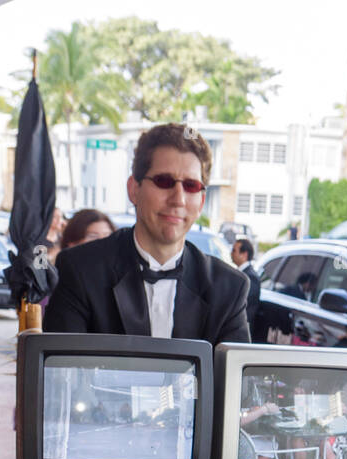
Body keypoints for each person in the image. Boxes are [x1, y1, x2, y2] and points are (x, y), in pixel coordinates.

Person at [43, 123, 250, 346]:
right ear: (134, 189)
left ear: (201, 202)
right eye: (164, 182)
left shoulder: (229, 288)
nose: (178, 199)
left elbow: (232, 379)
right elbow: (62, 373)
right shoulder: (81, 270)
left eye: (190, 186)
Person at [230, 237, 260, 332]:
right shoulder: (240, 273)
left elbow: (242, 301)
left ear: (244, 254)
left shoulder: (251, 277)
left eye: (234, 250)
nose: (231, 253)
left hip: (242, 328)